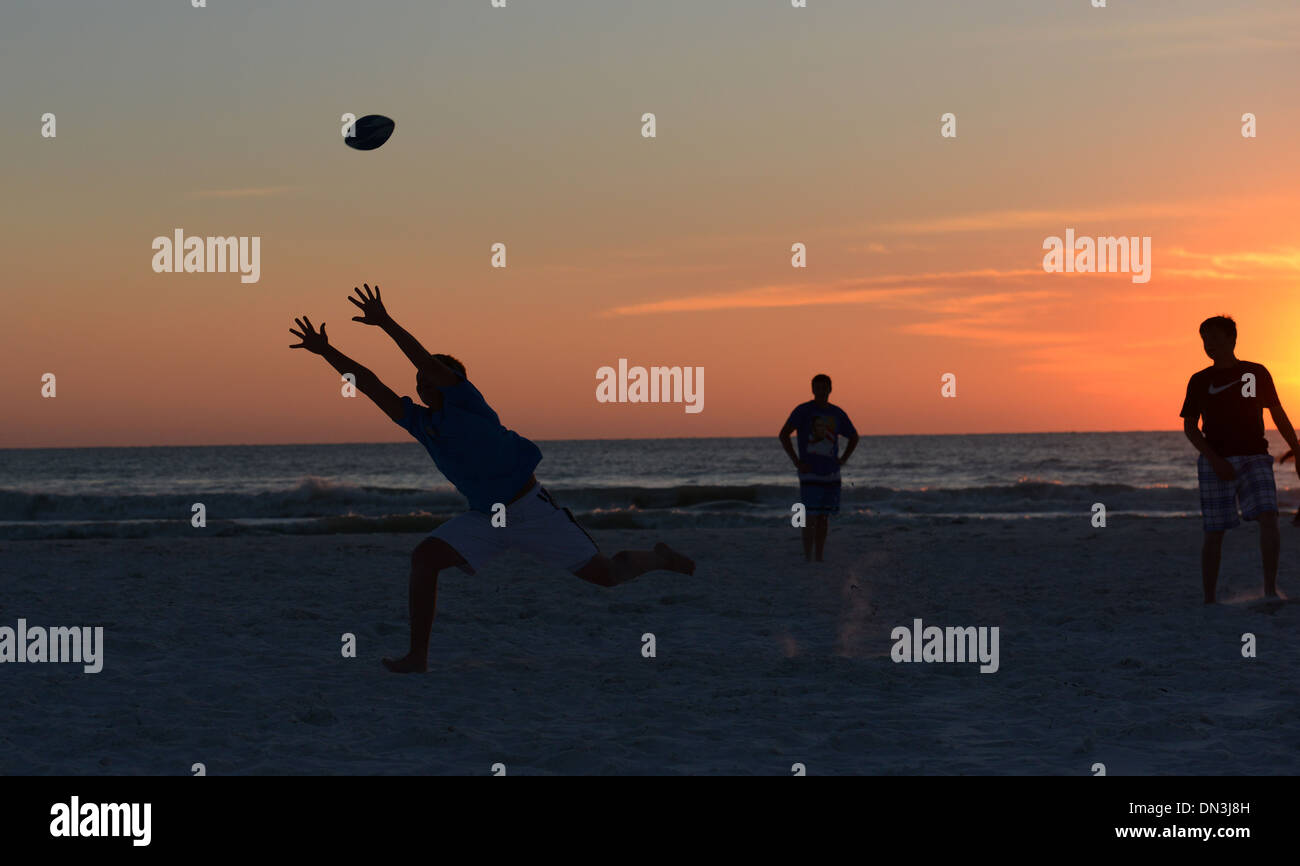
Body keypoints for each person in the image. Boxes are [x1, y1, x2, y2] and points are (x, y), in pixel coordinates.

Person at [290, 284, 695, 672]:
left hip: (532, 510)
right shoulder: (420, 422)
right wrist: (327, 351)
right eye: (419, 382)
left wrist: (386, 322)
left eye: (431, 377)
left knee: (606, 575)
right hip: (485, 517)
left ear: (453, 382)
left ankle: (659, 558)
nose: (422, 381)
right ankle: (417, 657)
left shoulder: (469, 403)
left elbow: (427, 363)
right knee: (425, 558)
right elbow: (371, 385)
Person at [1179, 315, 1299, 603]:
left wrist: (1296, 446)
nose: (1210, 345)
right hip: (1214, 460)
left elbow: (1277, 413)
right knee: (1215, 531)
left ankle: (1270, 591)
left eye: (1216, 338)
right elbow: (1190, 428)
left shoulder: (1255, 373)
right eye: (1205, 340)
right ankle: (1209, 598)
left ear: (1232, 339)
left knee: (1269, 516)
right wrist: (1215, 460)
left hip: (1255, 456)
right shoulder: (1200, 380)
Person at [778, 373, 859, 562]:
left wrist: (843, 458)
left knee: (824, 518)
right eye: (818, 388)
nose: (821, 391)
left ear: (830, 389)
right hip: (809, 472)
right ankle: (808, 557)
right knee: (809, 518)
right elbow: (784, 434)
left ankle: (819, 556)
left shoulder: (837, 413)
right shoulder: (803, 411)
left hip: (831, 473)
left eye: (825, 388)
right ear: (812, 389)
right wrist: (796, 461)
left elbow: (854, 437)